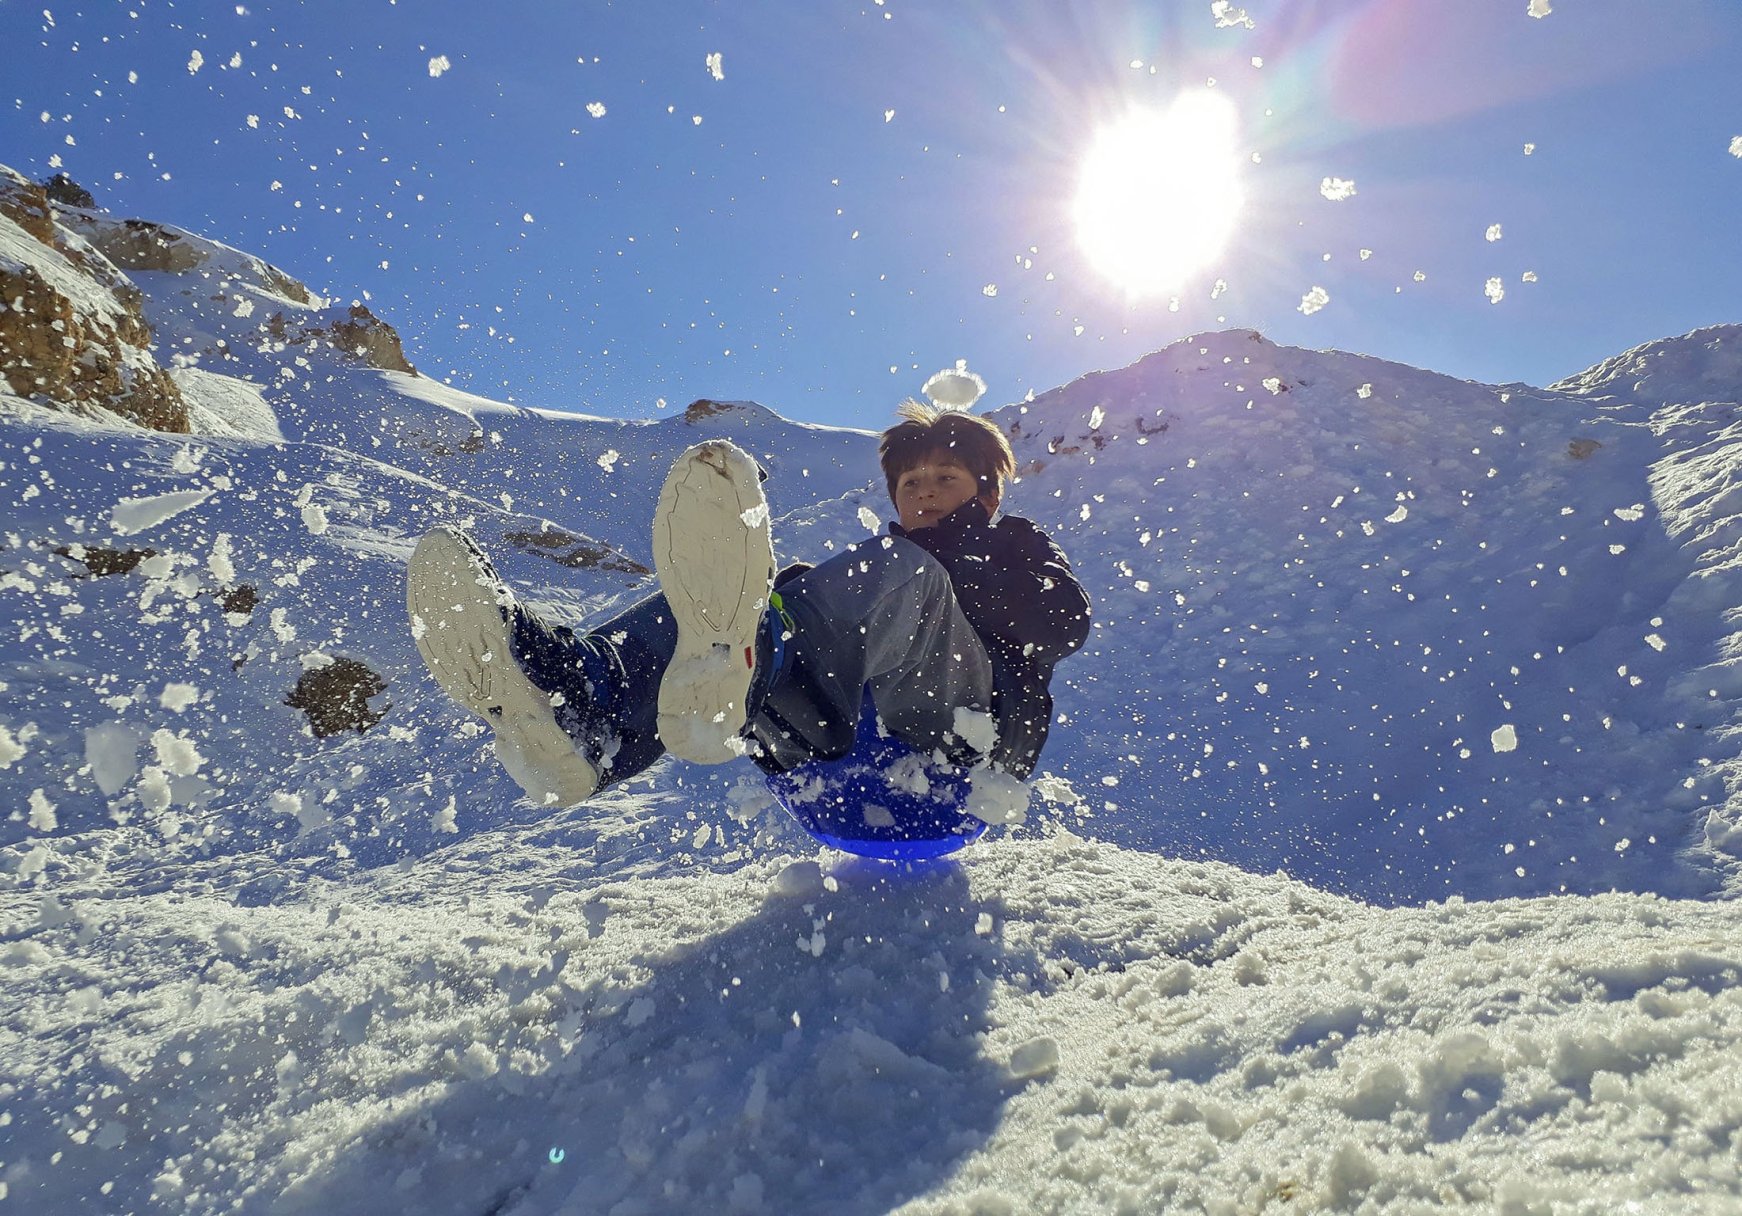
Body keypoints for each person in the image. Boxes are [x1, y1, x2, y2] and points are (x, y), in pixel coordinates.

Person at [405, 401, 1091, 808]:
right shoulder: (890, 571)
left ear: (987, 492)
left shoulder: (1010, 547)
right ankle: (582, 709)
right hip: (837, 760)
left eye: (947, 477)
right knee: (738, 603)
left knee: (862, 581)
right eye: (913, 481)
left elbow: (1064, 622)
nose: (927, 491)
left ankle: (740, 652)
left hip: (963, 753)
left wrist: (947, 567)